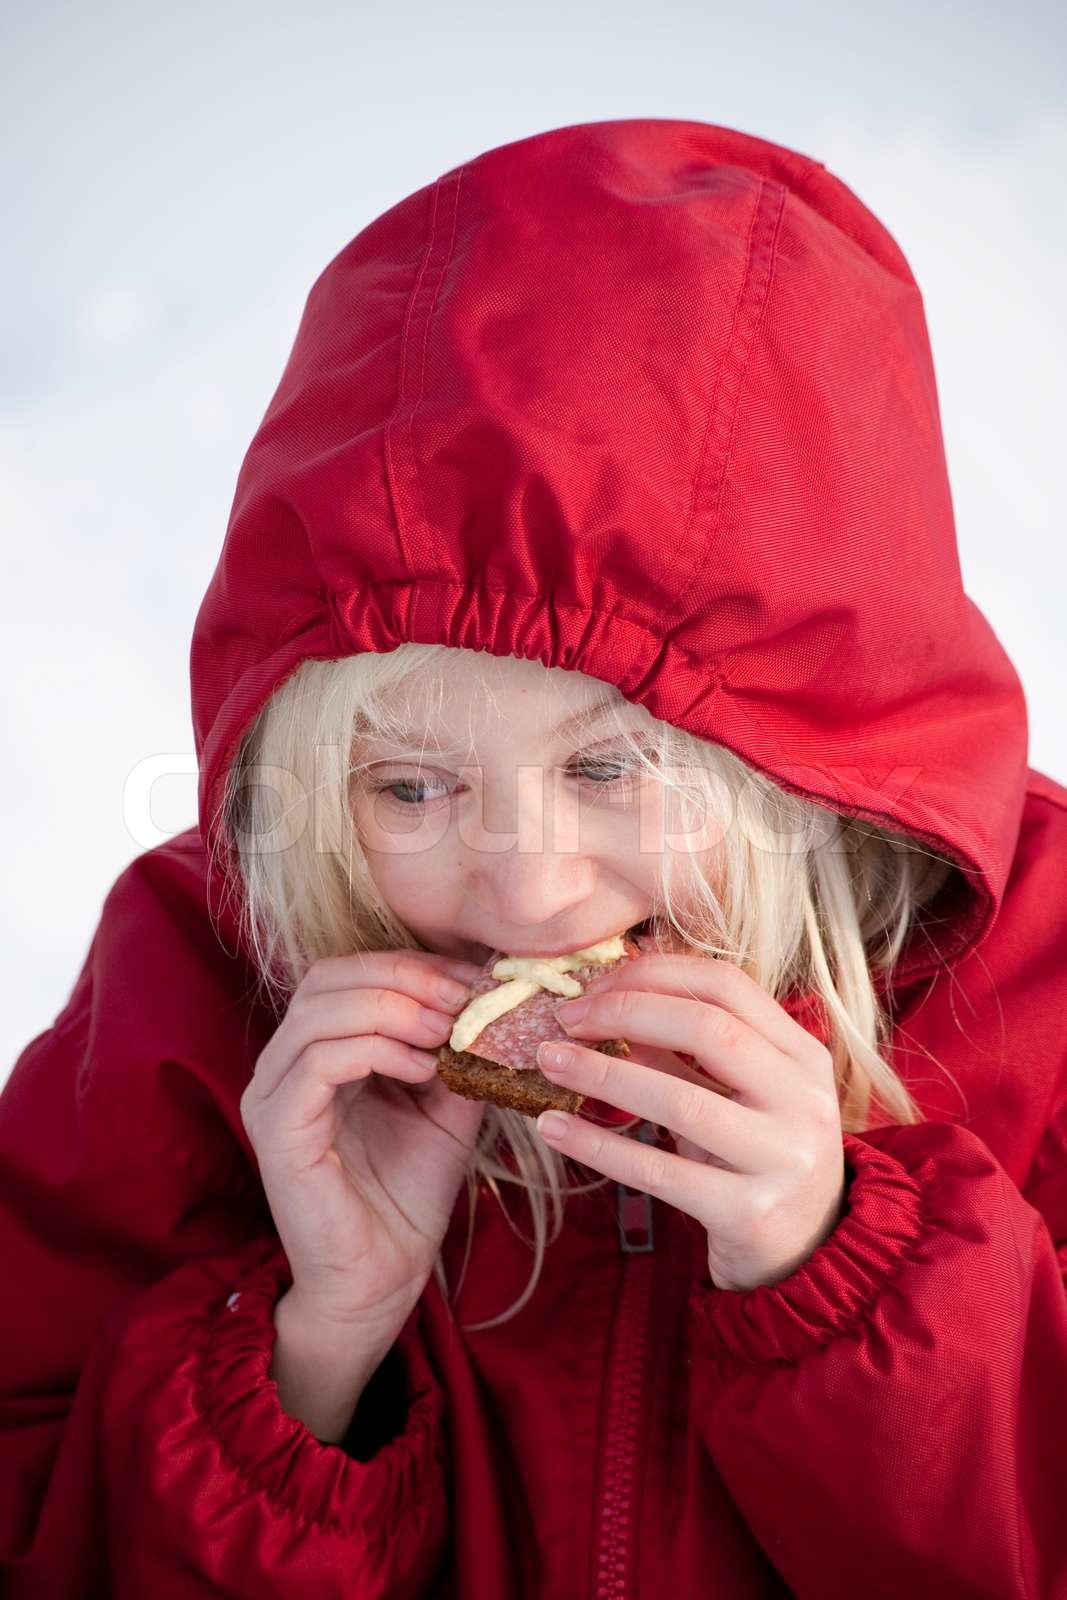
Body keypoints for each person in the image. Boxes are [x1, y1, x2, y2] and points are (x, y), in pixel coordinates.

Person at [1, 116, 1065, 1600]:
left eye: (609, 766)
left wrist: (838, 1275)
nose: (527, 889)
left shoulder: (1034, 991)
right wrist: (318, 1347)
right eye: (416, 787)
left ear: (793, 750)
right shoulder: (192, 994)